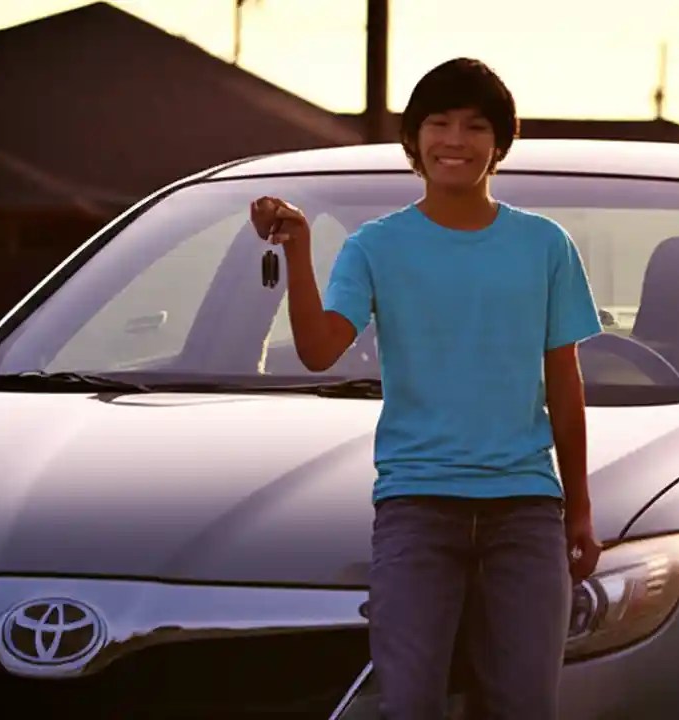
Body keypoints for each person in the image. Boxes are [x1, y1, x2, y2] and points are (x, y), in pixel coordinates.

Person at [250, 57, 602, 720]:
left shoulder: (545, 245)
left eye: (475, 126)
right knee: (409, 703)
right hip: (415, 507)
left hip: (525, 508)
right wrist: (298, 250)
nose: (455, 140)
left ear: (500, 143)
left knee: (525, 705)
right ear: (413, 139)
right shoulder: (375, 247)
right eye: (439, 123)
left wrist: (579, 510)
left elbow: (564, 385)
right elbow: (320, 349)